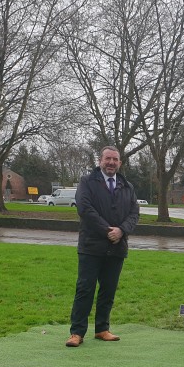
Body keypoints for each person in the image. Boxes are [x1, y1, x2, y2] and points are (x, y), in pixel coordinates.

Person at [65, 146, 140, 347]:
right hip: (91, 247)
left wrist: (122, 231)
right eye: (108, 159)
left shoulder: (127, 186)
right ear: (100, 160)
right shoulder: (87, 182)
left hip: (117, 248)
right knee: (85, 289)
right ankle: (77, 332)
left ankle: (102, 329)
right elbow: (85, 209)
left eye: (115, 159)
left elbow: (134, 213)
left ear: (120, 163)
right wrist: (108, 231)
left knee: (108, 290)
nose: (111, 163)